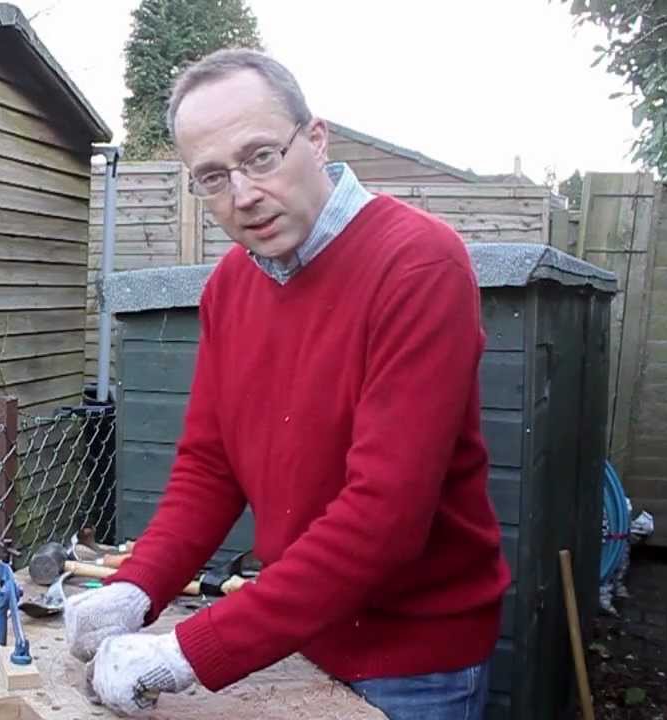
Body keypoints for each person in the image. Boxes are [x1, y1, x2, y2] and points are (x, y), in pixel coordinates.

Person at [63, 48, 511, 720]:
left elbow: (383, 520)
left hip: (412, 662)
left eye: (261, 156)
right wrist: (137, 587)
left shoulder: (417, 265)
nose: (242, 194)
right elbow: (210, 468)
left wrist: (191, 650)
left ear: (316, 139)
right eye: (212, 176)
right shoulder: (230, 288)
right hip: (297, 632)